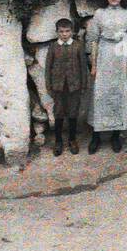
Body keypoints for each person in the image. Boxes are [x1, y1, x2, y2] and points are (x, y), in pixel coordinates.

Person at [86, 0, 127, 154]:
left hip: (122, 56)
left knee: (119, 93)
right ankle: (96, 135)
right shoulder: (99, 13)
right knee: (101, 93)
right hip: (105, 54)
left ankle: (116, 134)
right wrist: (94, 64)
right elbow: (93, 40)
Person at [45, 17, 87, 156]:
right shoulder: (53, 47)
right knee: (58, 114)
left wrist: (83, 86)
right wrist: (49, 86)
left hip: (74, 86)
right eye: (61, 31)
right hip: (58, 86)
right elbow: (48, 68)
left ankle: (72, 140)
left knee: (73, 113)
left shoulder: (77, 46)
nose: (64, 34)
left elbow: (83, 67)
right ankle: (58, 141)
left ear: (72, 31)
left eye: (67, 31)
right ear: (57, 32)